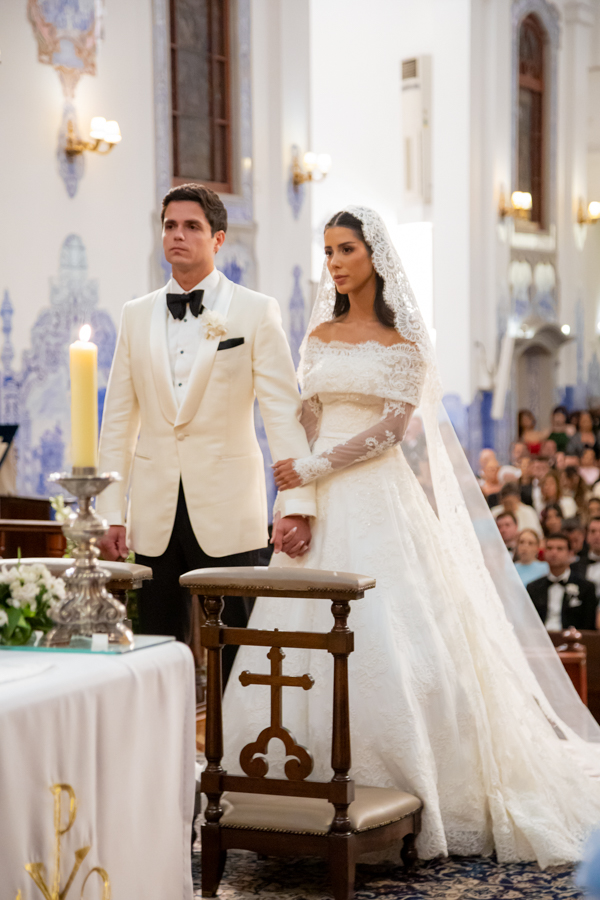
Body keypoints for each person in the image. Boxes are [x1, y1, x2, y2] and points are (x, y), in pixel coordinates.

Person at [223, 206, 600, 867]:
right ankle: (283, 789)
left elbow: (394, 429)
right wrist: (294, 500)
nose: (334, 262)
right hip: (317, 503)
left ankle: (404, 792)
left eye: (346, 249)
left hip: (379, 498)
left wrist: (317, 464)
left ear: (375, 257)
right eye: (328, 251)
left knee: (392, 638)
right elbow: (302, 426)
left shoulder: (405, 345)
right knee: (291, 645)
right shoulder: (316, 335)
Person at [96, 184, 316, 681]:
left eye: (191, 226)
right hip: (153, 511)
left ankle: (236, 754)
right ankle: (163, 755)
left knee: (239, 649)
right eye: (170, 225)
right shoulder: (136, 315)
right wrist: (110, 510)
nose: (178, 235)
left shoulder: (256, 311)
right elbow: (118, 421)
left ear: (217, 239)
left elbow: (281, 414)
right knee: (153, 650)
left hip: (229, 508)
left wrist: (298, 504)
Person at [527, 533, 597, 631]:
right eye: (549, 548)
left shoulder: (586, 588)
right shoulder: (533, 588)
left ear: (570, 554)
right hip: (541, 641)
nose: (554, 552)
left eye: (560, 549)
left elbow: (588, 626)